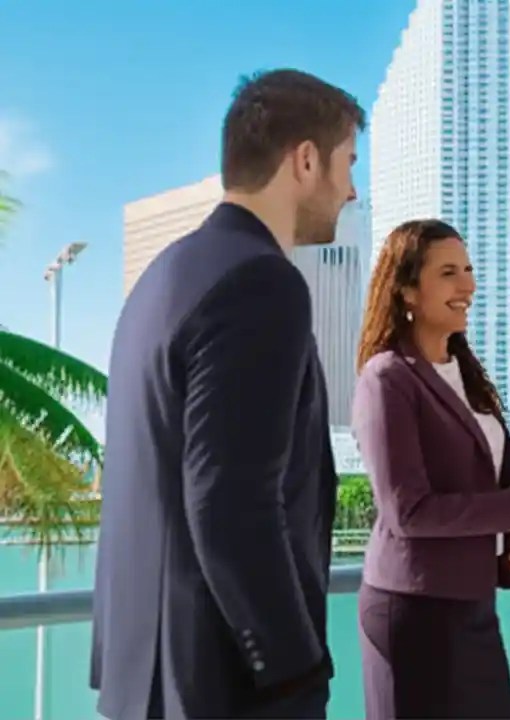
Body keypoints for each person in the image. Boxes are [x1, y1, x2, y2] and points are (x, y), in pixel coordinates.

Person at [90, 69, 364, 718]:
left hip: (146, 682)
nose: (353, 190)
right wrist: (294, 667)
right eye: (348, 164)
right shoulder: (261, 282)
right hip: (227, 687)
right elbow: (229, 501)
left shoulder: (162, 278)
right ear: (305, 160)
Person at [352, 219, 510, 719]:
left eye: (470, 270)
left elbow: (471, 493)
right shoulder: (387, 378)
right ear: (407, 289)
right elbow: (408, 512)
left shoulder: (466, 375)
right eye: (449, 272)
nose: (468, 285)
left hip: (472, 605)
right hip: (413, 610)